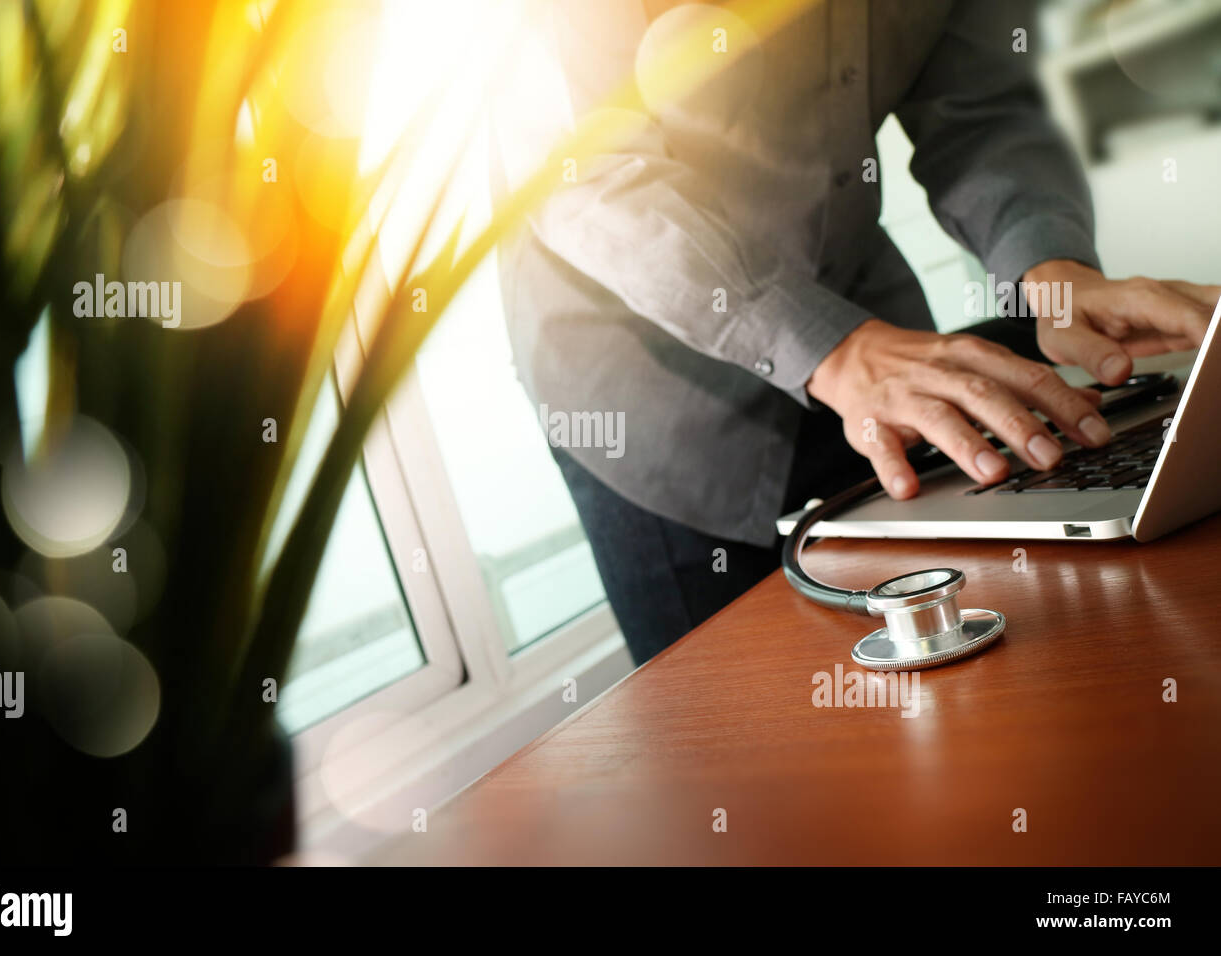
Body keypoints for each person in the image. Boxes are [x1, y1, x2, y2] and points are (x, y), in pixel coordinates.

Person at [491, 0, 1221, 665]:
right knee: (733, 746)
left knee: (964, 671)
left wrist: (1048, 270)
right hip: (646, 395)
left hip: (866, 319)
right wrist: (832, 350)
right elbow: (585, 175)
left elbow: (980, 107)